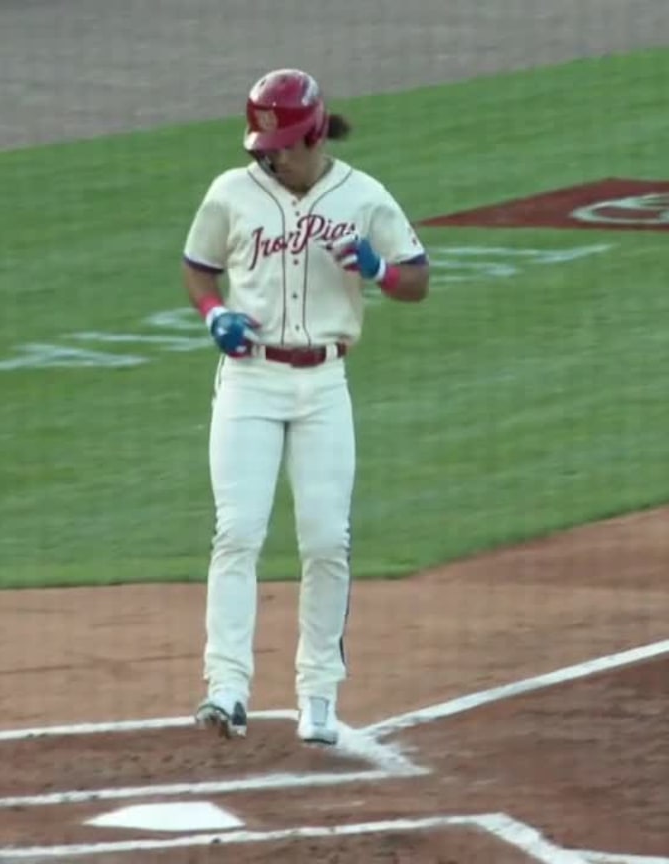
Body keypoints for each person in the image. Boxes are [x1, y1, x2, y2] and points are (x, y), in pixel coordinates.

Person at [180, 68, 430, 746]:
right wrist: (214, 315)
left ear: (316, 133)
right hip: (248, 380)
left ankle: (317, 694)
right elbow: (197, 265)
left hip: (323, 385)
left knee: (326, 539)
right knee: (237, 531)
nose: (270, 155)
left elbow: (419, 279)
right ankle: (226, 687)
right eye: (262, 144)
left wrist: (377, 271)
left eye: (283, 143)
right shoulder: (232, 193)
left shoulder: (364, 196)